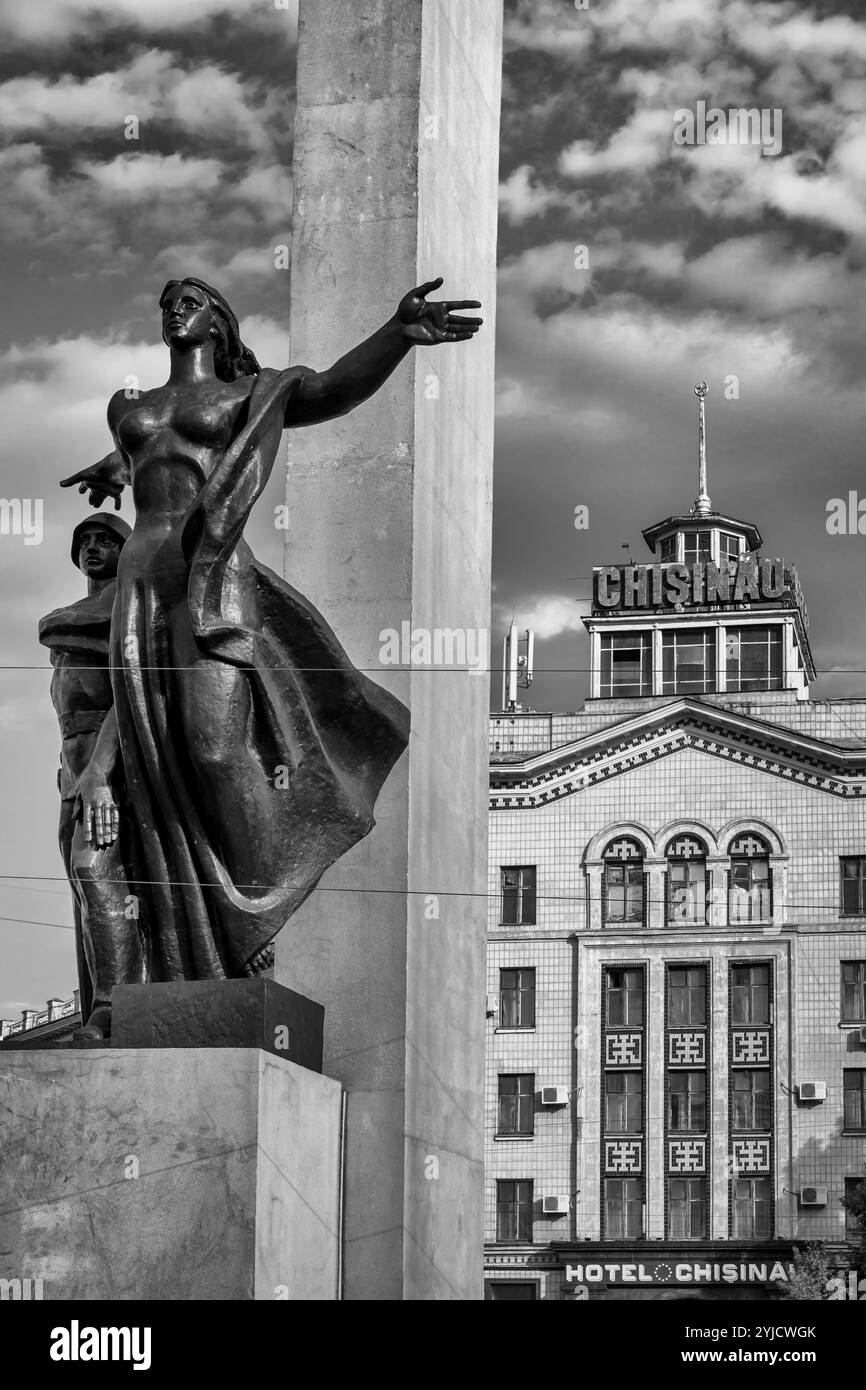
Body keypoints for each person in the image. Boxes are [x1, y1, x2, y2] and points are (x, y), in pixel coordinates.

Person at [59, 276, 482, 1007]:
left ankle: (251, 918)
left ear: (218, 320)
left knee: (216, 748)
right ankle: (170, 961)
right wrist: (113, 466)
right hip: (142, 584)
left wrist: (396, 332)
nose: (175, 307)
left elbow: (328, 393)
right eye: (166, 301)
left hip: (213, 576)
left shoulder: (249, 392)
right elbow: (143, 458)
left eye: (190, 298)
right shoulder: (129, 407)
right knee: (152, 741)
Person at [38, 514, 146, 1037]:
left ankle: (112, 1006)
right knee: (83, 890)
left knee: (94, 869)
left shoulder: (126, 606)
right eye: (85, 540)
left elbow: (131, 696)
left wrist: (101, 772)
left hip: (115, 757)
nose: (94, 547)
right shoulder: (80, 616)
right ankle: (97, 1004)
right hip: (71, 764)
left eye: (107, 539)